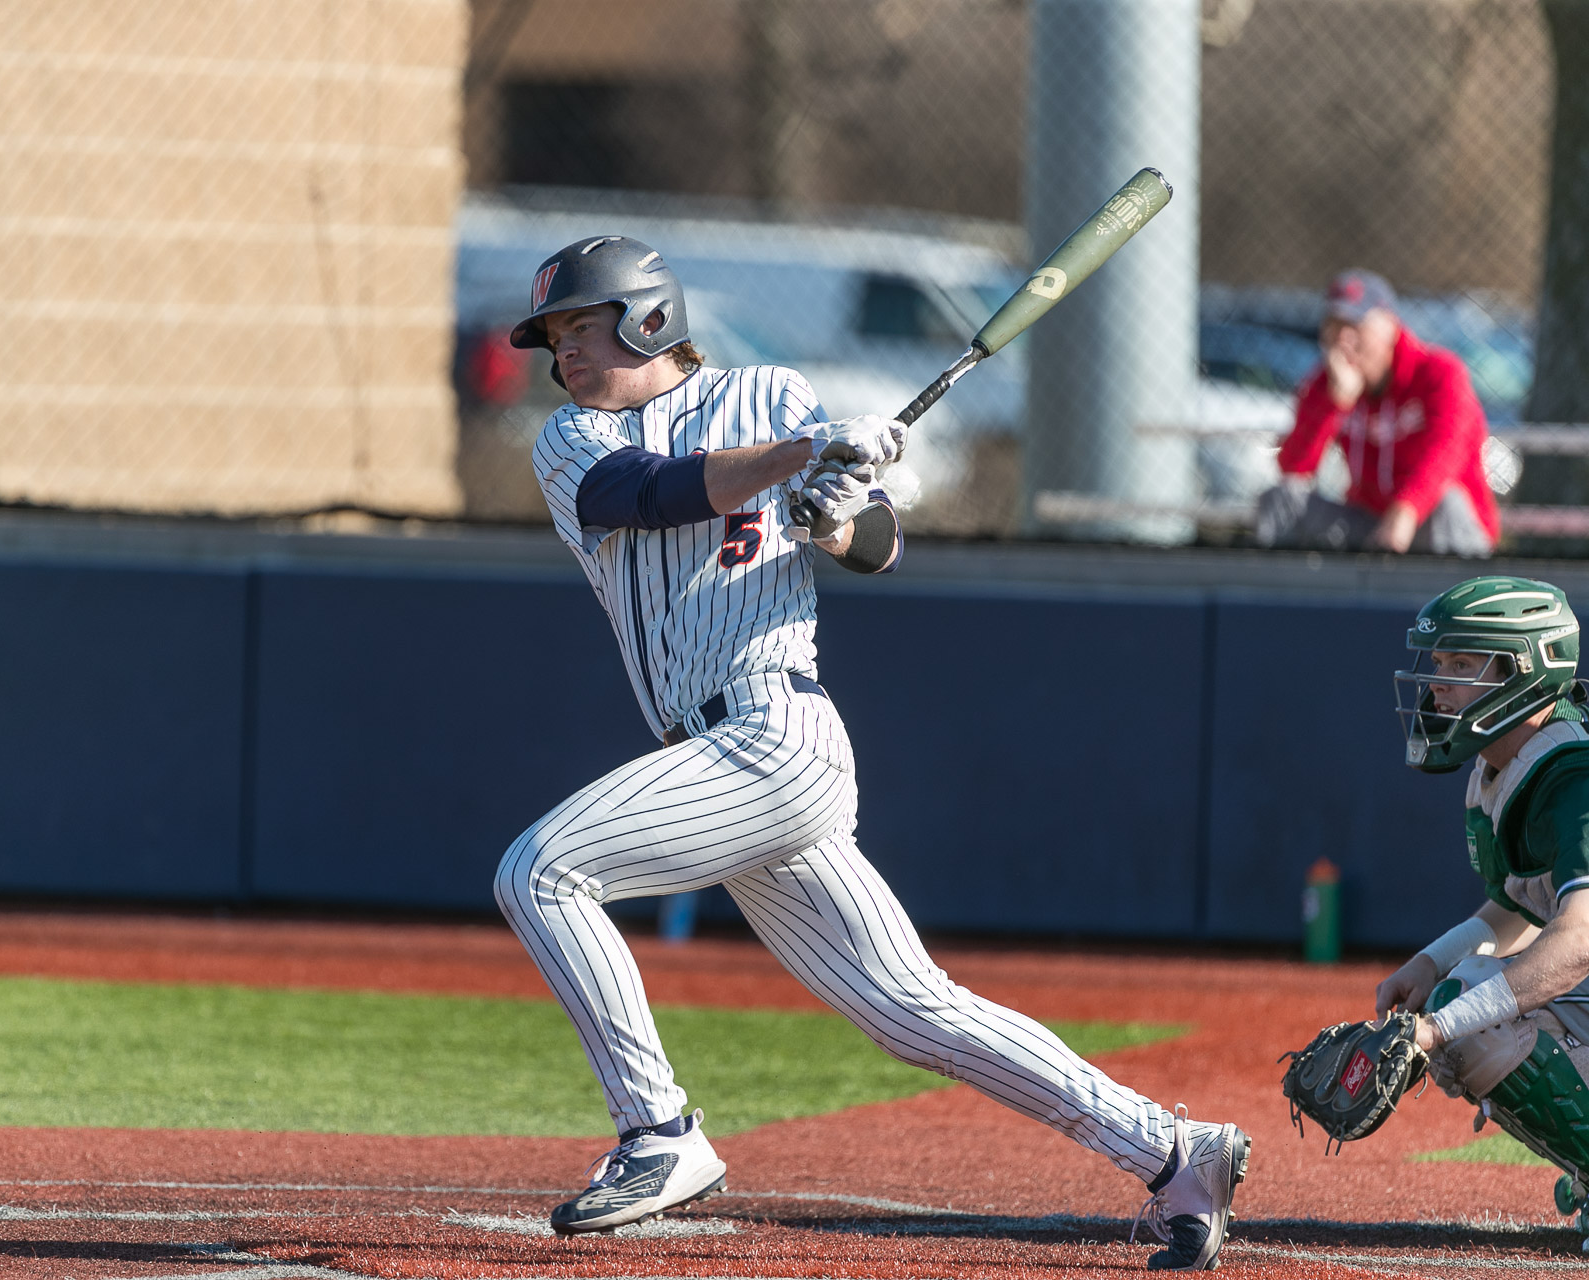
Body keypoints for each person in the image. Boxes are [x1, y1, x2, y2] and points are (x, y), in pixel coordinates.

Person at [493, 234, 1251, 1270]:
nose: (563, 351)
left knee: (541, 871)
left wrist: (836, 514)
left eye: (581, 325)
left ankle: (658, 1130)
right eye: (555, 335)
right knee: (912, 1011)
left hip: (773, 729)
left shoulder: (770, 394)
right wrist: (800, 458)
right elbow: (653, 491)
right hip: (712, 757)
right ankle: (1174, 1151)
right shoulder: (571, 438)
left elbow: (879, 546)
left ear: (648, 319)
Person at [1381, 575, 1589, 1223]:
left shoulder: (1573, 776)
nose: (1438, 684)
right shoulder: (1513, 759)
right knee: (1457, 999)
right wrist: (1431, 963)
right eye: (1439, 662)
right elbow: (1521, 906)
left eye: (1461, 665)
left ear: (1523, 670)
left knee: (1470, 1020)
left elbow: (1579, 940)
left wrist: (1444, 1025)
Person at [1256, 269, 1497, 557]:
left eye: (1355, 325)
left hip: (1429, 522)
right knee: (1281, 498)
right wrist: (1335, 403)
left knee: (1449, 503)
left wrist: (1406, 510)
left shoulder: (1440, 373)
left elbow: (1445, 453)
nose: (1343, 338)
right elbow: (1294, 467)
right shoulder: (1325, 384)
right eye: (1334, 325)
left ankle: (1460, 589)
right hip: (1369, 523)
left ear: (1389, 327)